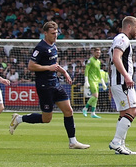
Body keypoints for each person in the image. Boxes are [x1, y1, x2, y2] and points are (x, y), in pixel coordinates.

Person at [8, 21, 90, 149]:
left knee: (68, 111)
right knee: (47, 119)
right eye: (52, 33)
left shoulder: (54, 46)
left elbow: (55, 65)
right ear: (45, 33)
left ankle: (72, 141)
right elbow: (31, 66)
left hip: (55, 83)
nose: (55, 36)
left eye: (56, 33)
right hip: (44, 86)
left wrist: (64, 72)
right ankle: (19, 119)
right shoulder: (40, 48)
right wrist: (48, 67)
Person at [107, 15, 136, 155]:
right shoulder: (122, 39)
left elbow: (111, 64)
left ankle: (120, 145)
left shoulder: (119, 39)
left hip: (117, 82)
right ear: (129, 27)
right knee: (132, 111)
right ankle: (116, 142)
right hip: (122, 82)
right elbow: (115, 58)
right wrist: (127, 76)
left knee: (123, 113)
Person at [83, 47, 105, 118]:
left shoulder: (98, 61)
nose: (98, 54)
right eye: (97, 52)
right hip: (91, 80)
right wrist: (86, 81)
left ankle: (93, 113)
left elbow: (98, 72)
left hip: (96, 81)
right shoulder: (90, 60)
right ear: (94, 52)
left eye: (99, 52)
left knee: (96, 97)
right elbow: (86, 70)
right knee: (95, 95)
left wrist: (103, 82)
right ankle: (85, 108)